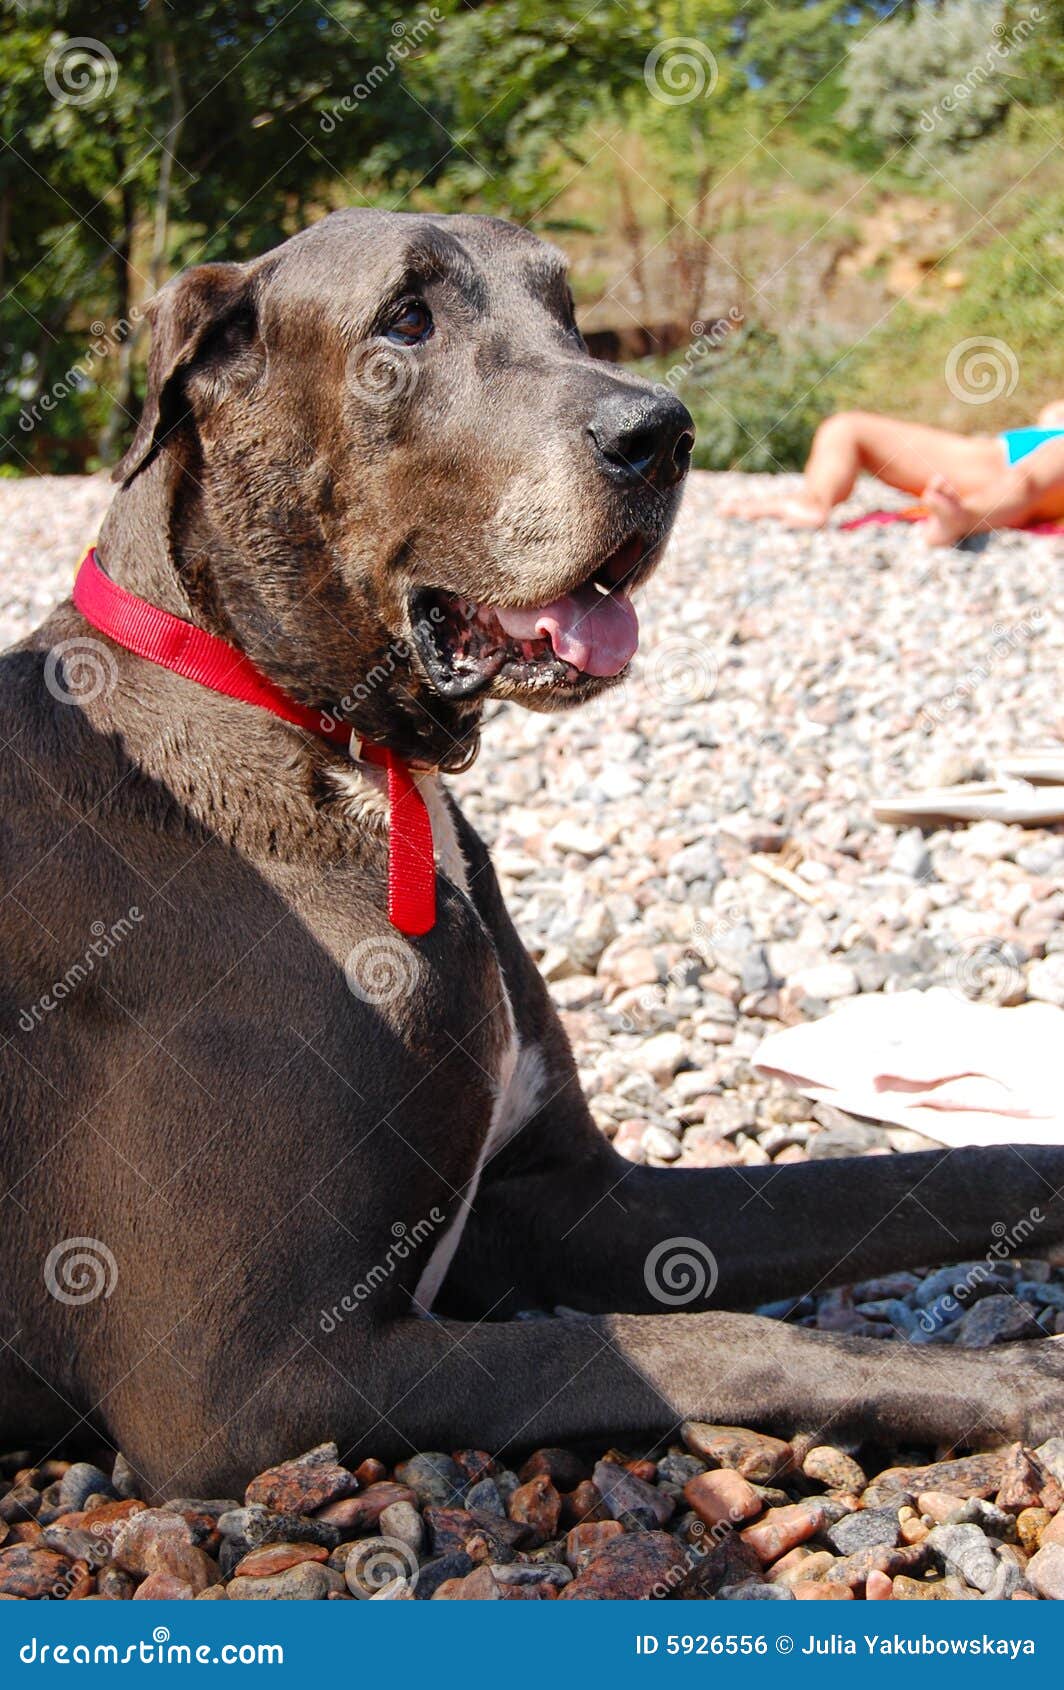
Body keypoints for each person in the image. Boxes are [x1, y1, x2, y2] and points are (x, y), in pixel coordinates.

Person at [722, 400, 1064, 536]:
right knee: (846, 427)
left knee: (1031, 476)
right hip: (986, 458)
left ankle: (965, 517)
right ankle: (815, 499)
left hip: (1031, 474)